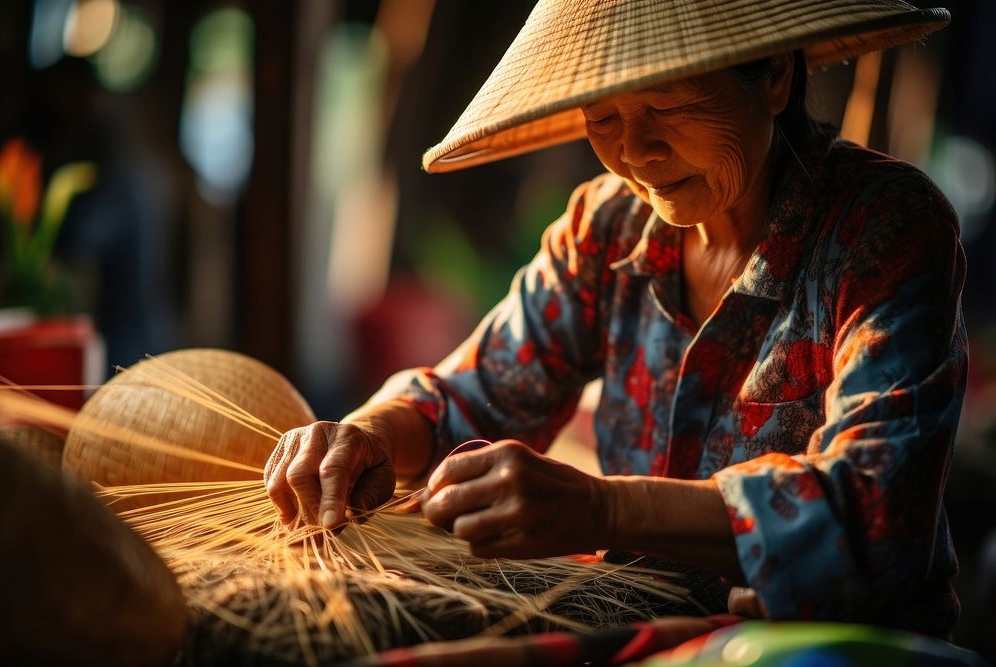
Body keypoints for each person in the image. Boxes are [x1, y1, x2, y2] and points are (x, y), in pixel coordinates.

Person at [265, 0, 966, 638]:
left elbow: (874, 511)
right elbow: (474, 393)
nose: (635, 151)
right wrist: (368, 432)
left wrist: (602, 509)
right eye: (603, 116)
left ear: (775, 77)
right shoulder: (606, 228)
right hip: (639, 633)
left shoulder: (884, 227)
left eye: (668, 103)